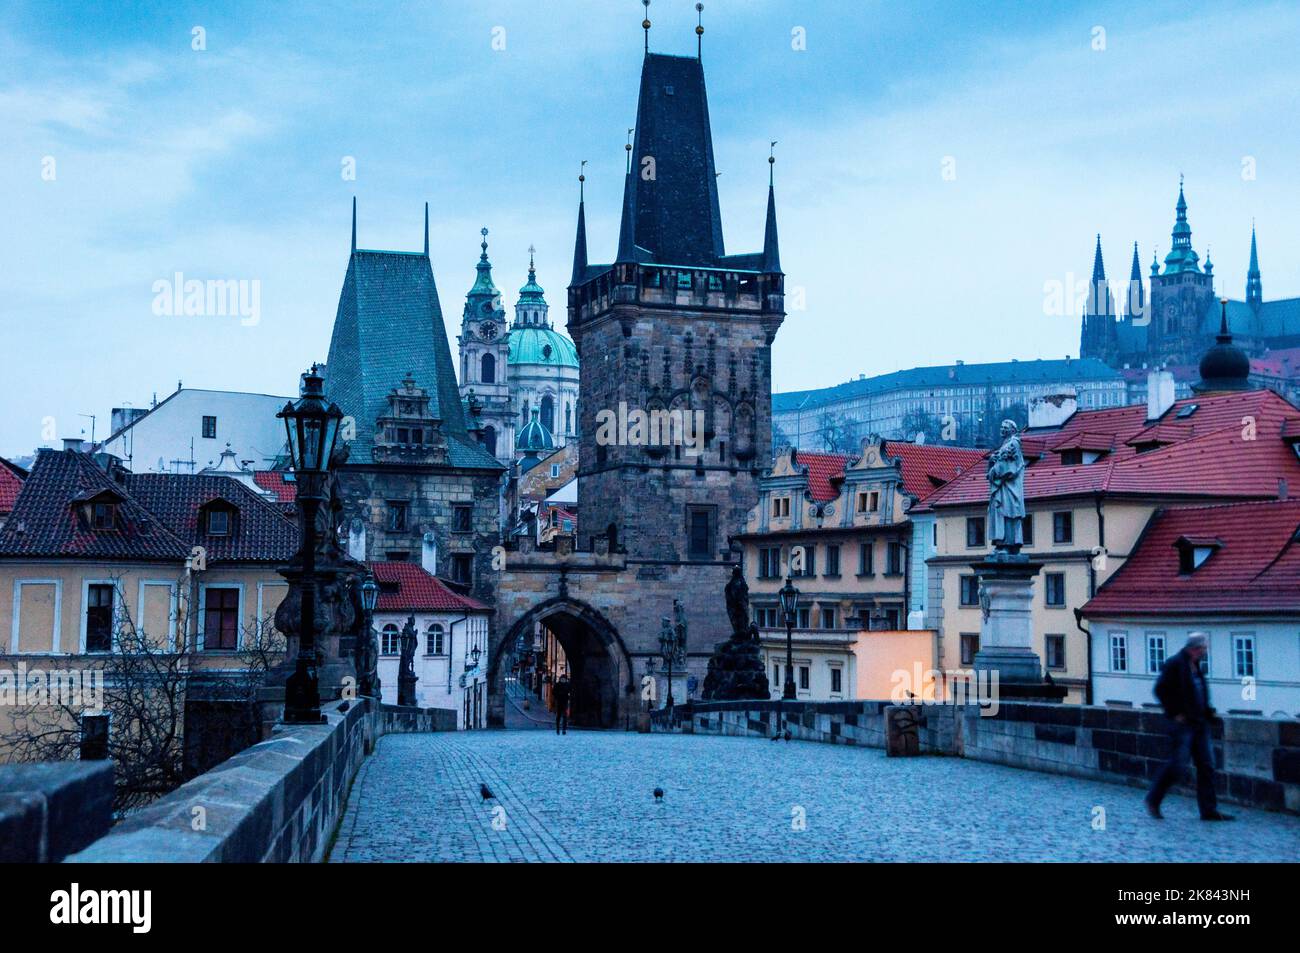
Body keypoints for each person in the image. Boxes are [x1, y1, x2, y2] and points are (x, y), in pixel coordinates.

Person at [1145, 633, 1233, 821]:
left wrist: (1209, 713)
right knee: (1177, 766)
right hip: (1182, 725)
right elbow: (1160, 689)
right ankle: (1153, 799)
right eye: (1203, 648)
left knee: (1207, 766)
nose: (1205, 652)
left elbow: (1198, 694)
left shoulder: (1195, 666)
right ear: (1196, 648)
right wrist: (1175, 713)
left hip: (1199, 723)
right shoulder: (1175, 664)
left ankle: (1208, 810)